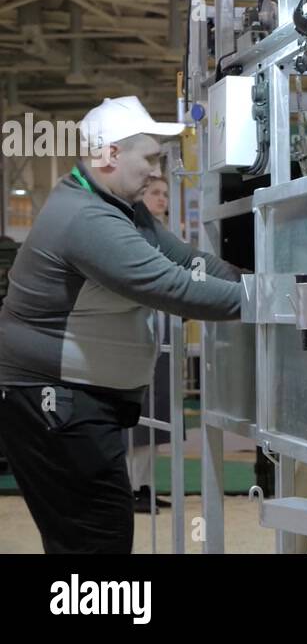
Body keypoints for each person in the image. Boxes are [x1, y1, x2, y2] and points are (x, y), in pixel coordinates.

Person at [0, 96, 243, 554]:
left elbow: (189, 262)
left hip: (73, 404)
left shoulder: (121, 208)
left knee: (91, 539)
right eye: (149, 158)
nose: (156, 172)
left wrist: (254, 280)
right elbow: (172, 287)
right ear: (110, 154)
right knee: (97, 541)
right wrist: (270, 301)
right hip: (55, 404)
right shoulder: (86, 218)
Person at [129, 178, 175, 514]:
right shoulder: (132, 233)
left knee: (157, 412)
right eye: (155, 193)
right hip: (139, 331)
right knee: (139, 414)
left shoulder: (163, 235)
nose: (162, 199)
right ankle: (130, 487)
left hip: (162, 329)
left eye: (165, 194)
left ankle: (144, 485)